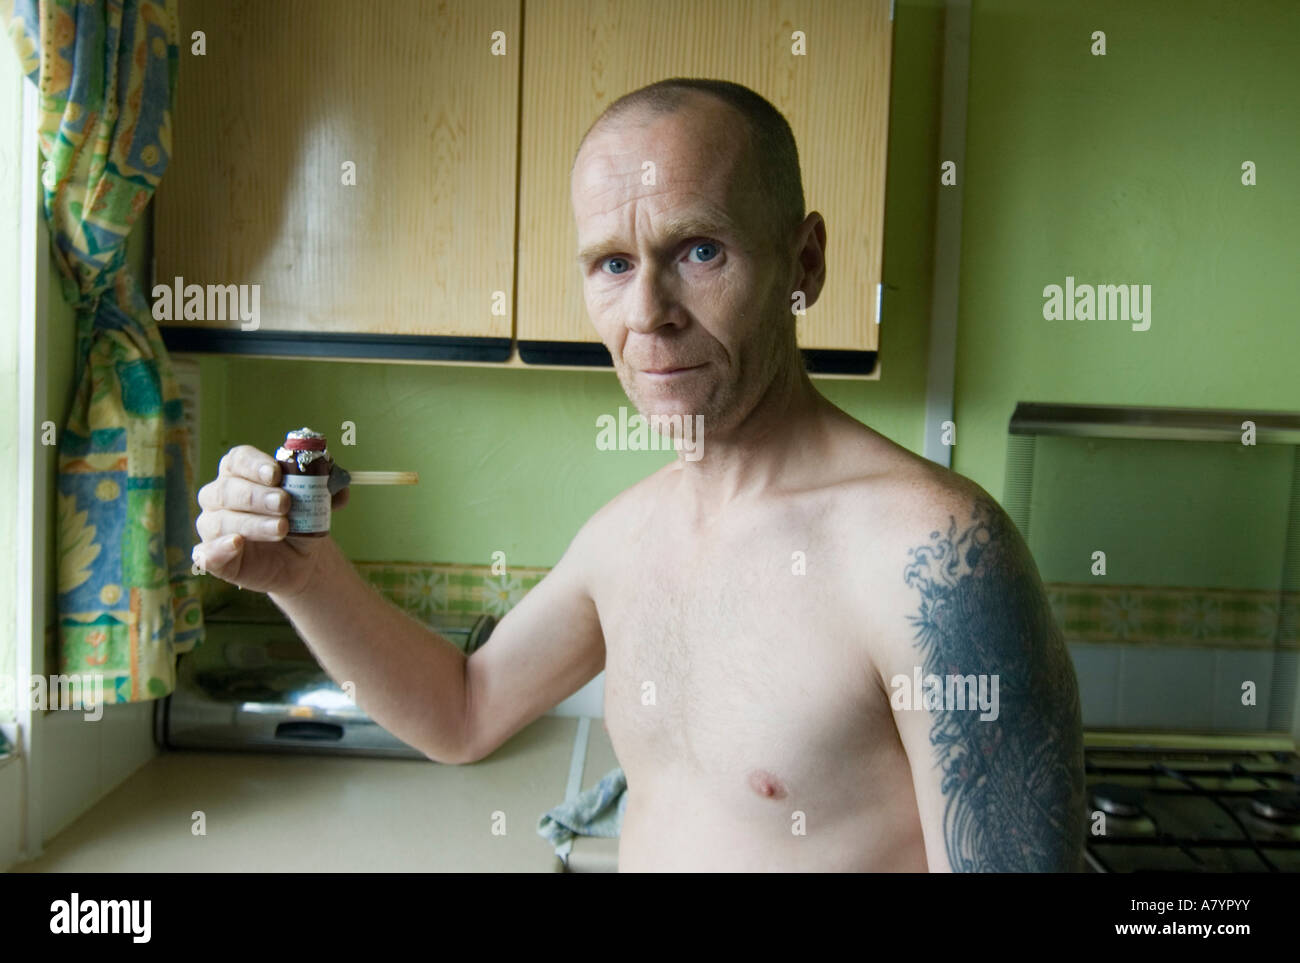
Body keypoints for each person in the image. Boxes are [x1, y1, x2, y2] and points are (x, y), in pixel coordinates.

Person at [193, 78, 1085, 872]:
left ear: (803, 262)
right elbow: (462, 711)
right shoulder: (626, 536)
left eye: (699, 250)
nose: (648, 313)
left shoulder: (936, 558)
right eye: (614, 264)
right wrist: (306, 578)